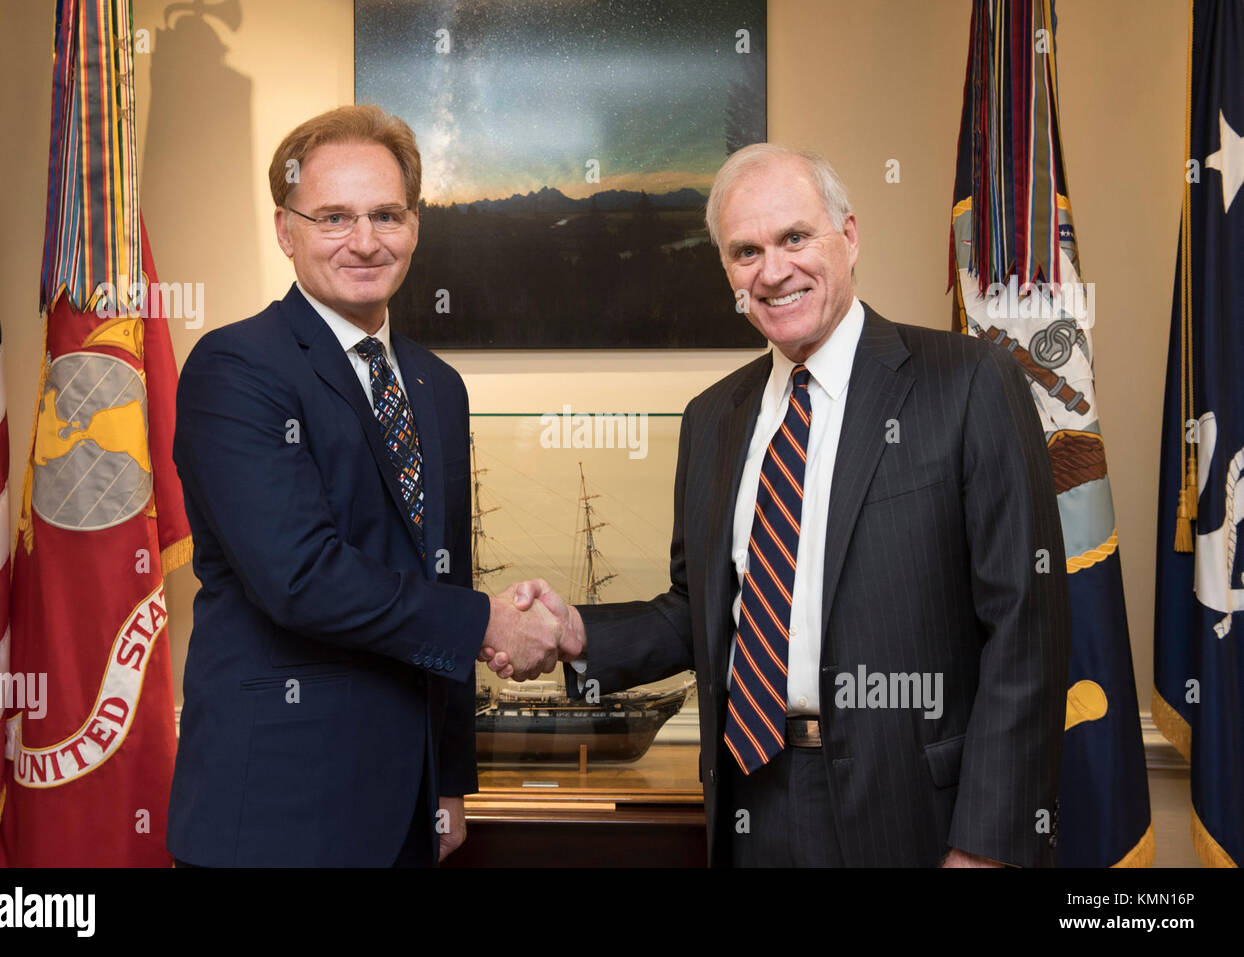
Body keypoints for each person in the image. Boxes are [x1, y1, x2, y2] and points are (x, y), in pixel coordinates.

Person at [488, 143, 1070, 867]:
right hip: (752, 798)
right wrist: (576, 631)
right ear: (728, 272)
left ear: (848, 236)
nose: (773, 270)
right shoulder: (712, 419)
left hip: (918, 813)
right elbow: (695, 610)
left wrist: (985, 847)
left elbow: (1027, 630)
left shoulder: (968, 382)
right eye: (745, 251)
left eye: (795, 237)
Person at [167, 105, 571, 867]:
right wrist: (487, 623)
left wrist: (449, 781)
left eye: (386, 214)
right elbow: (300, 576)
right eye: (333, 217)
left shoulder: (436, 384)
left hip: (407, 814)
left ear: (415, 227)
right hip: (275, 820)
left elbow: (443, 575)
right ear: (285, 229)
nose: (364, 240)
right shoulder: (236, 369)